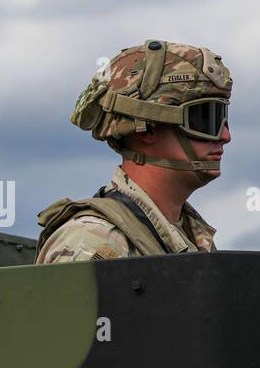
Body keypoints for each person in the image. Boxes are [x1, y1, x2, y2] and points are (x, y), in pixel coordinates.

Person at [36, 40, 232, 263]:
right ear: (145, 130)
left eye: (224, 118)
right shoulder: (94, 243)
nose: (225, 136)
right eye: (206, 118)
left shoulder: (191, 239)